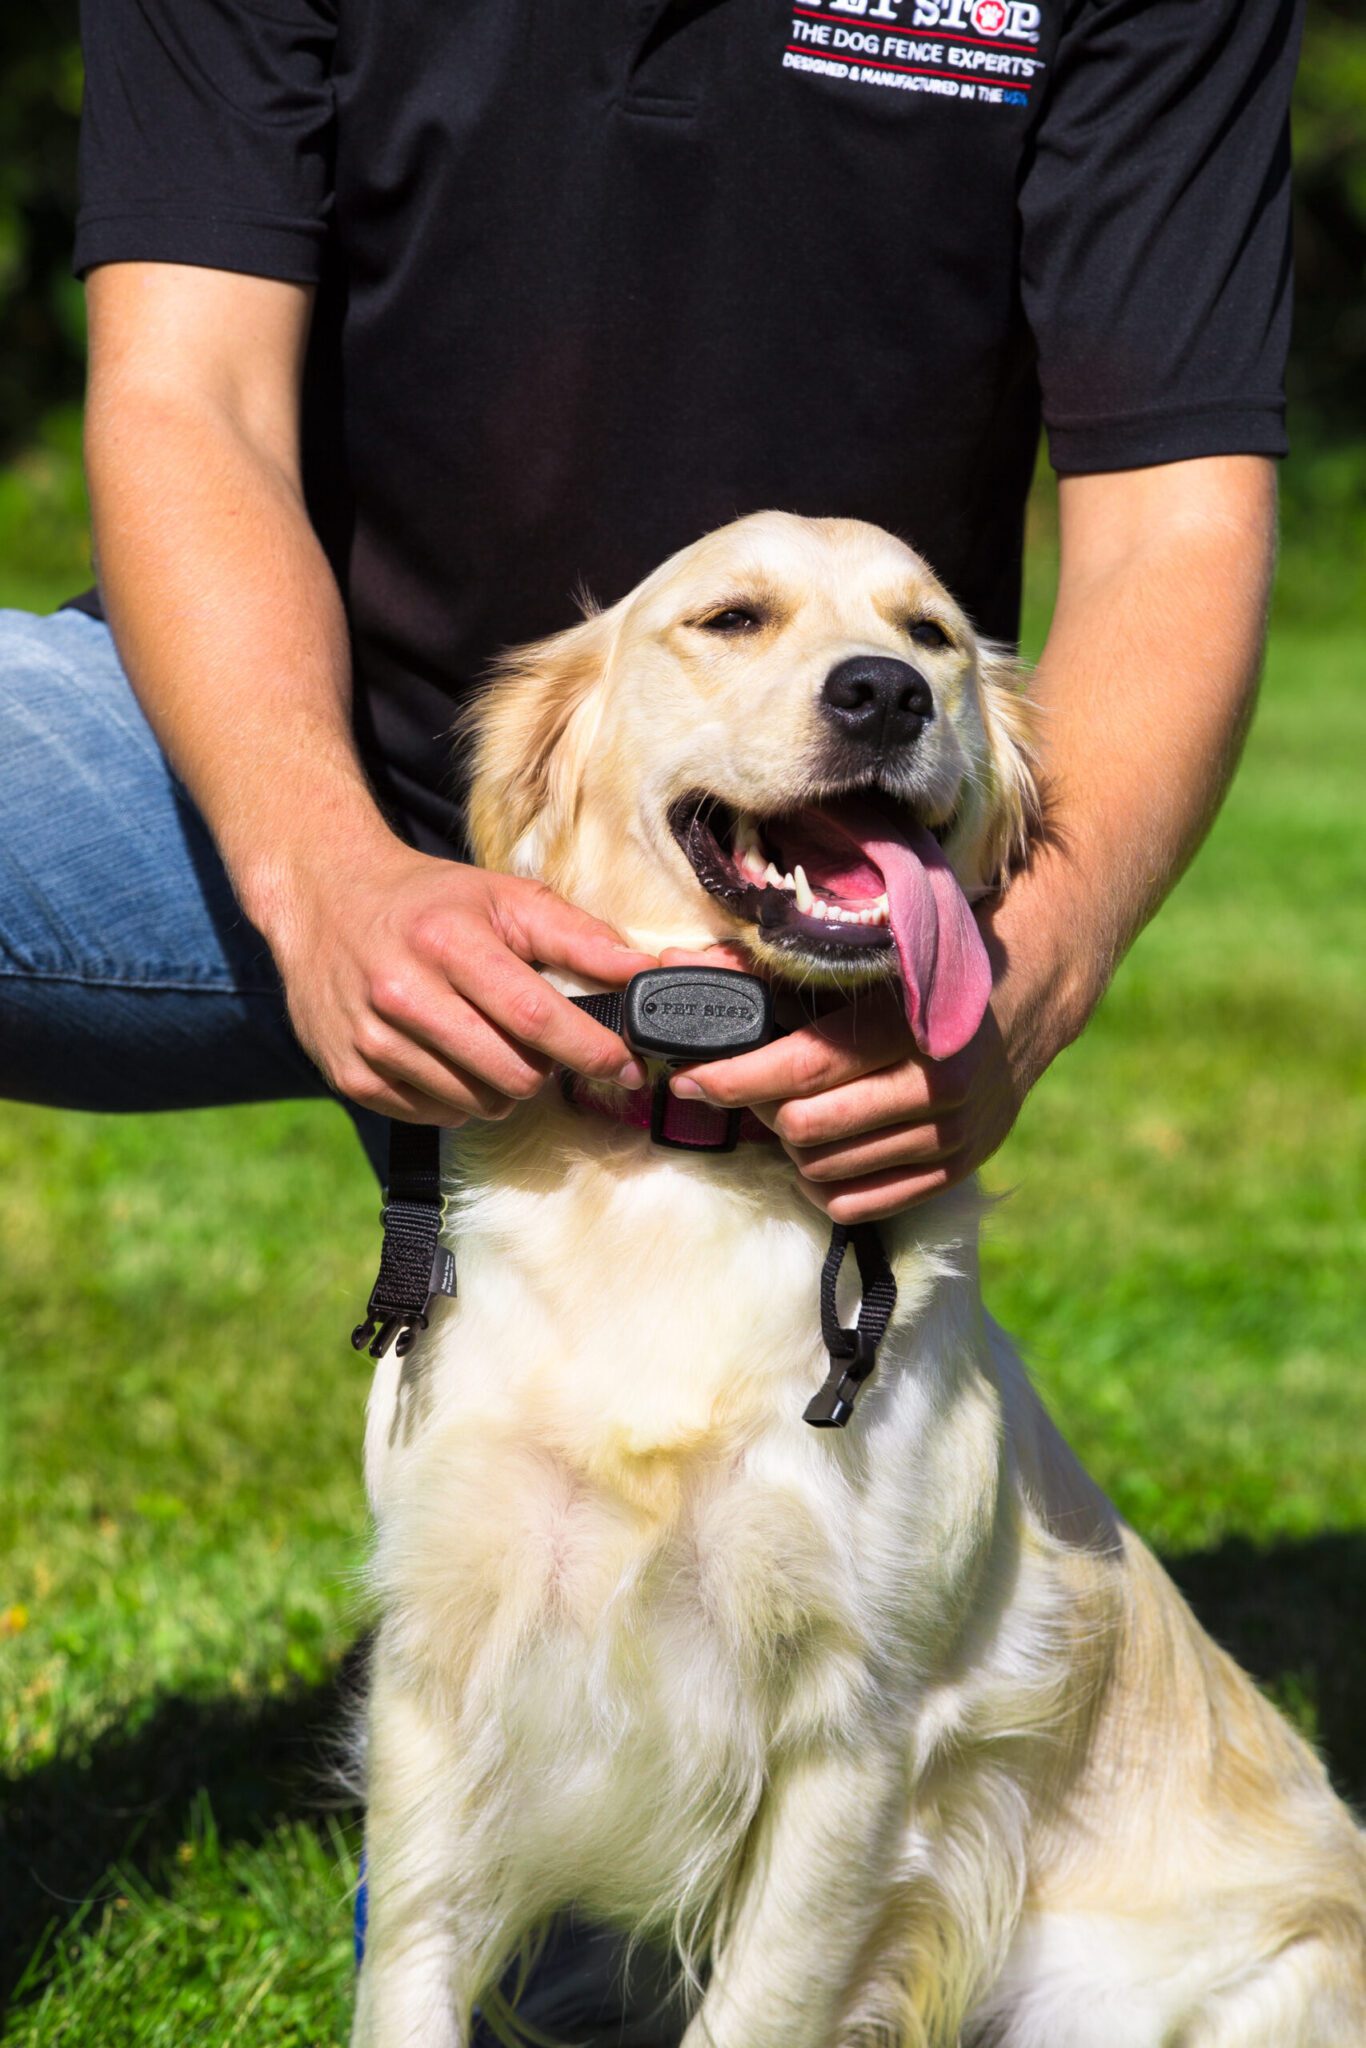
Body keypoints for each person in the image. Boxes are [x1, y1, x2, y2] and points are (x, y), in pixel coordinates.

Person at [0, 0, 1302, 2036]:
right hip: (265, 760)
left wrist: (1008, 986)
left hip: (802, 919)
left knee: (625, 1954)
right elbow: (186, 396)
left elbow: (1172, 515)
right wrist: (322, 863)